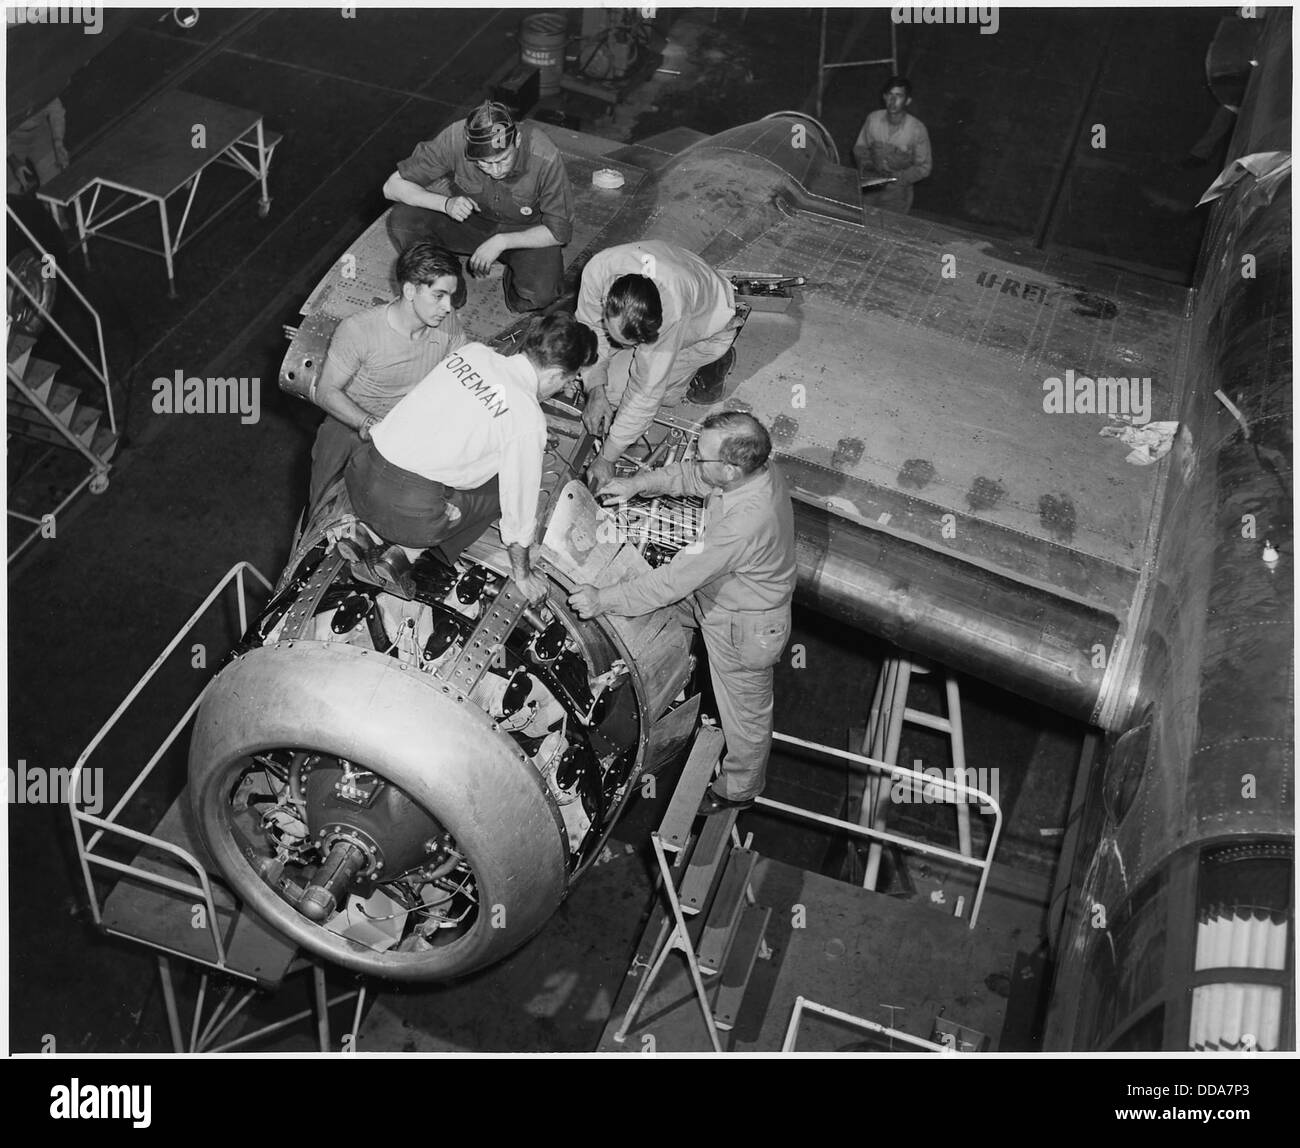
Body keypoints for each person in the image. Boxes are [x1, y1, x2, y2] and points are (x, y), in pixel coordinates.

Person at [568, 411, 796, 814]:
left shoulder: (745, 524)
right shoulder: (752, 470)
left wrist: (602, 598)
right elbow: (692, 476)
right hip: (718, 595)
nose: (694, 456)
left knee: (745, 720)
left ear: (730, 468)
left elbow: (671, 583)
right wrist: (637, 484)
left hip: (743, 625)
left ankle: (737, 791)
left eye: (703, 454)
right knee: (651, 611)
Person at [344, 312, 597, 606]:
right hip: (412, 516)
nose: (564, 388)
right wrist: (523, 575)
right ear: (555, 374)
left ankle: (368, 535)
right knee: (505, 484)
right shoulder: (527, 418)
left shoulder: (472, 352)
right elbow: (518, 514)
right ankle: (406, 551)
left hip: (360, 475)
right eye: (568, 380)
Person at [307, 242, 468, 510]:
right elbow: (326, 392)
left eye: (450, 296)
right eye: (439, 296)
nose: (449, 307)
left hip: (408, 424)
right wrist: (369, 424)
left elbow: (460, 377)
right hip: (353, 424)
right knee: (327, 505)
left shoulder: (448, 326)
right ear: (409, 291)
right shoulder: (359, 330)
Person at [576, 240, 741, 491]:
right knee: (603, 383)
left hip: (708, 325)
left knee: (629, 394)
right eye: (613, 333)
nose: (613, 341)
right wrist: (594, 389)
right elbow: (590, 331)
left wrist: (607, 457)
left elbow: (644, 393)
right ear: (608, 303)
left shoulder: (671, 313)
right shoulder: (598, 270)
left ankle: (714, 360)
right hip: (688, 276)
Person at [382, 100, 574, 313]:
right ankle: (448, 275)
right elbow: (392, 186)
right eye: (484, 163)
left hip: (524, 232)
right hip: (471, 221)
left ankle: (514, 271)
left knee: (538, 296)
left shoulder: (544, 155)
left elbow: (560, 232)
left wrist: (502, 242)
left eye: (503, 159)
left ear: (517, 140)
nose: (495, 170)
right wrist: (445, 204)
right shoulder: (456, 138)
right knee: (403, 219)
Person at [852, 75, 932, 215]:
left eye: (899, 96)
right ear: (884, 97)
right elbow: (860, 148)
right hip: (871, 186)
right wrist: (869, 166)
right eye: (890, 95)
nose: (893, 101)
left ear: (907, 100)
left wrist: (898, 177)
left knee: (888, 228)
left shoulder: (917, 129)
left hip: (897, 193)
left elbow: (924, 167)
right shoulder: (873, 119)